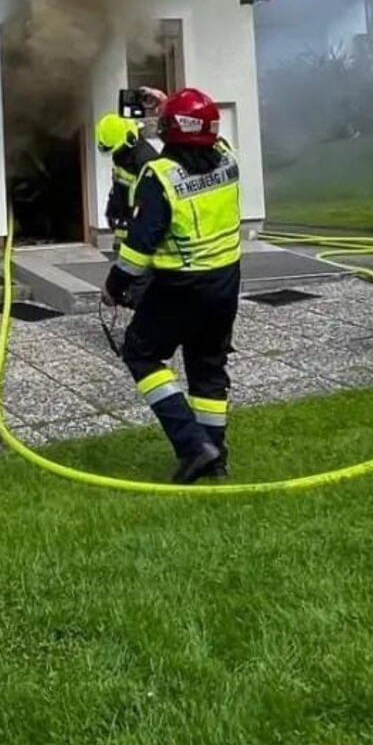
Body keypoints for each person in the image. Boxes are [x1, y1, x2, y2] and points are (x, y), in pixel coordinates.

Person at [103, 87, 242, 484]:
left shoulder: (160, 176)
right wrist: (169, 105)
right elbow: (203, 129)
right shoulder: (229, 158)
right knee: (208, 367)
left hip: (181, 285)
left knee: (141, 353)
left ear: (172, 131)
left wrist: (114, 285)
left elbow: (139, 247)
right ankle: (215, 460)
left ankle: (192, 445)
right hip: (226, 282)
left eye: (164, 122)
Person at [95, 86, 163, 239]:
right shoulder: (122, 155)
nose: (115, 153)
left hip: (141, 229)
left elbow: (153, 202)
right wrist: (112, 211)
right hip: (124, 222)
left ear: (130, 139)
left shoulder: (147, 160)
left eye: (117, 149)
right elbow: (119, 186)